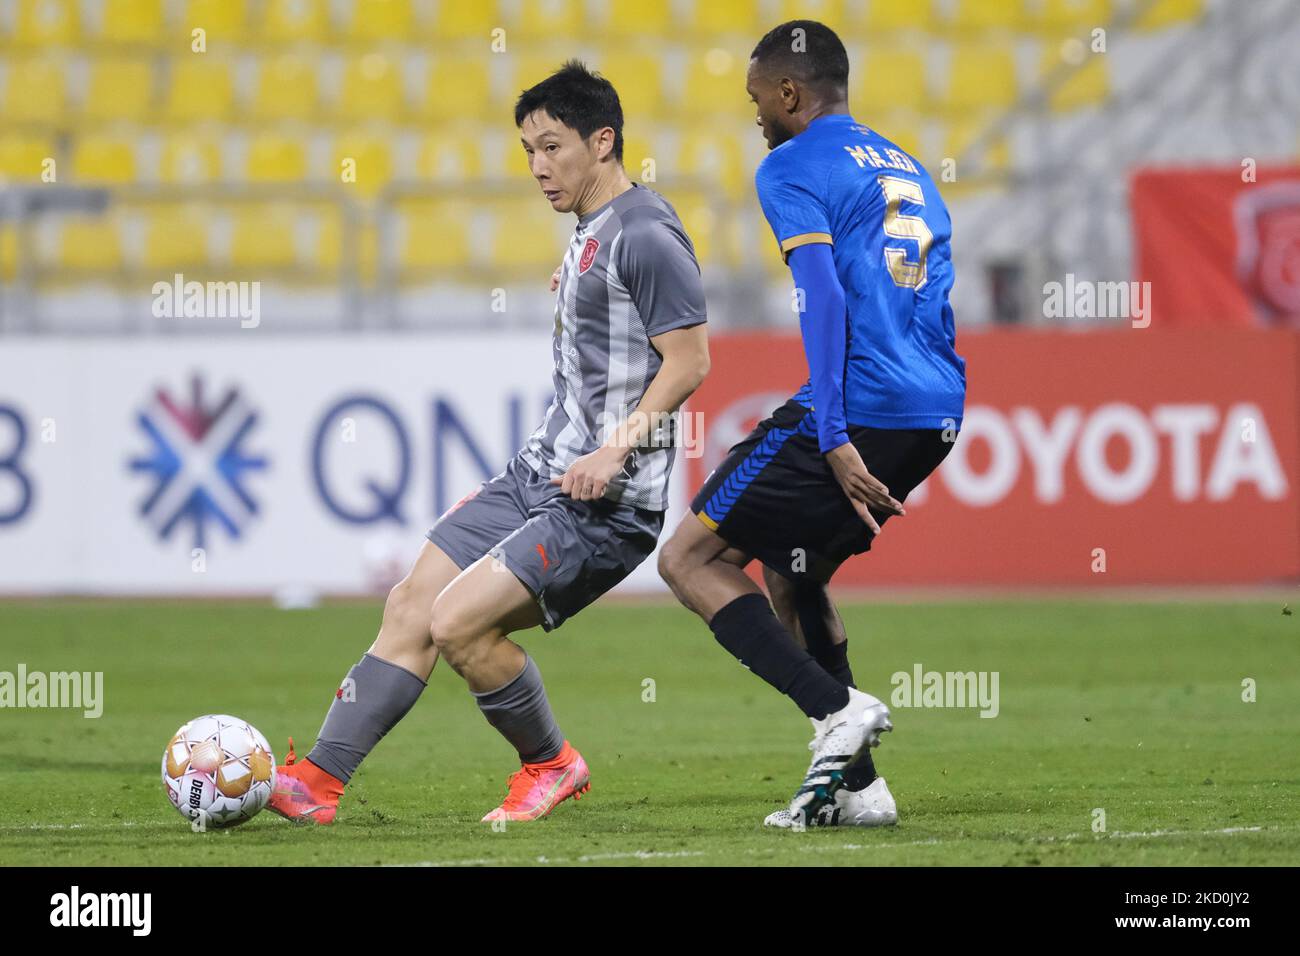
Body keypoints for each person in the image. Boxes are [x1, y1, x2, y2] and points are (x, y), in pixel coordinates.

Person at [270, 61, 710, 825]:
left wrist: (617, 450)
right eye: (527, 150)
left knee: (457, 624)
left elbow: (691, 360)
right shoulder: (595, 230)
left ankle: (551, 764)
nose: (538, 167)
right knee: (410, 605)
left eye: (552, 146)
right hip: (537, 473)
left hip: (604, 500)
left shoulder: (644, 231)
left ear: (602, 142)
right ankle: (315, 783)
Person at [659, 21, 966, 829]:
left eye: (758, 98)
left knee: (689, 558)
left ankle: (835, 708)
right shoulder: (905, 164)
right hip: (935, 408)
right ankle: (861, 791)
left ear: (790, 93)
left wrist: (831, 432)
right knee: (793, 571)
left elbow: (823, 297)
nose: (756, 114)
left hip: (864, 404)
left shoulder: (791, 163)